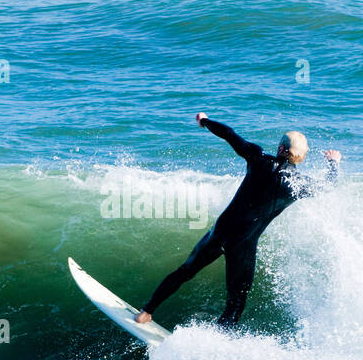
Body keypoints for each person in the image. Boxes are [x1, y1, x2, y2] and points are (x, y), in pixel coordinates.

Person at [134, 113, 342, 329]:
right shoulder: (297, 185)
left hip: (220, 231)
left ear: (281, 149)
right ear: (301, 157)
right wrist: (333, 163)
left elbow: (229, 134)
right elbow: (328, 185)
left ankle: (146, 312)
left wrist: (205, 121)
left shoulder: (257, 158)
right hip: (243, 244)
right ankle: (218, 341)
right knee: (236, 301)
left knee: (185, 271)